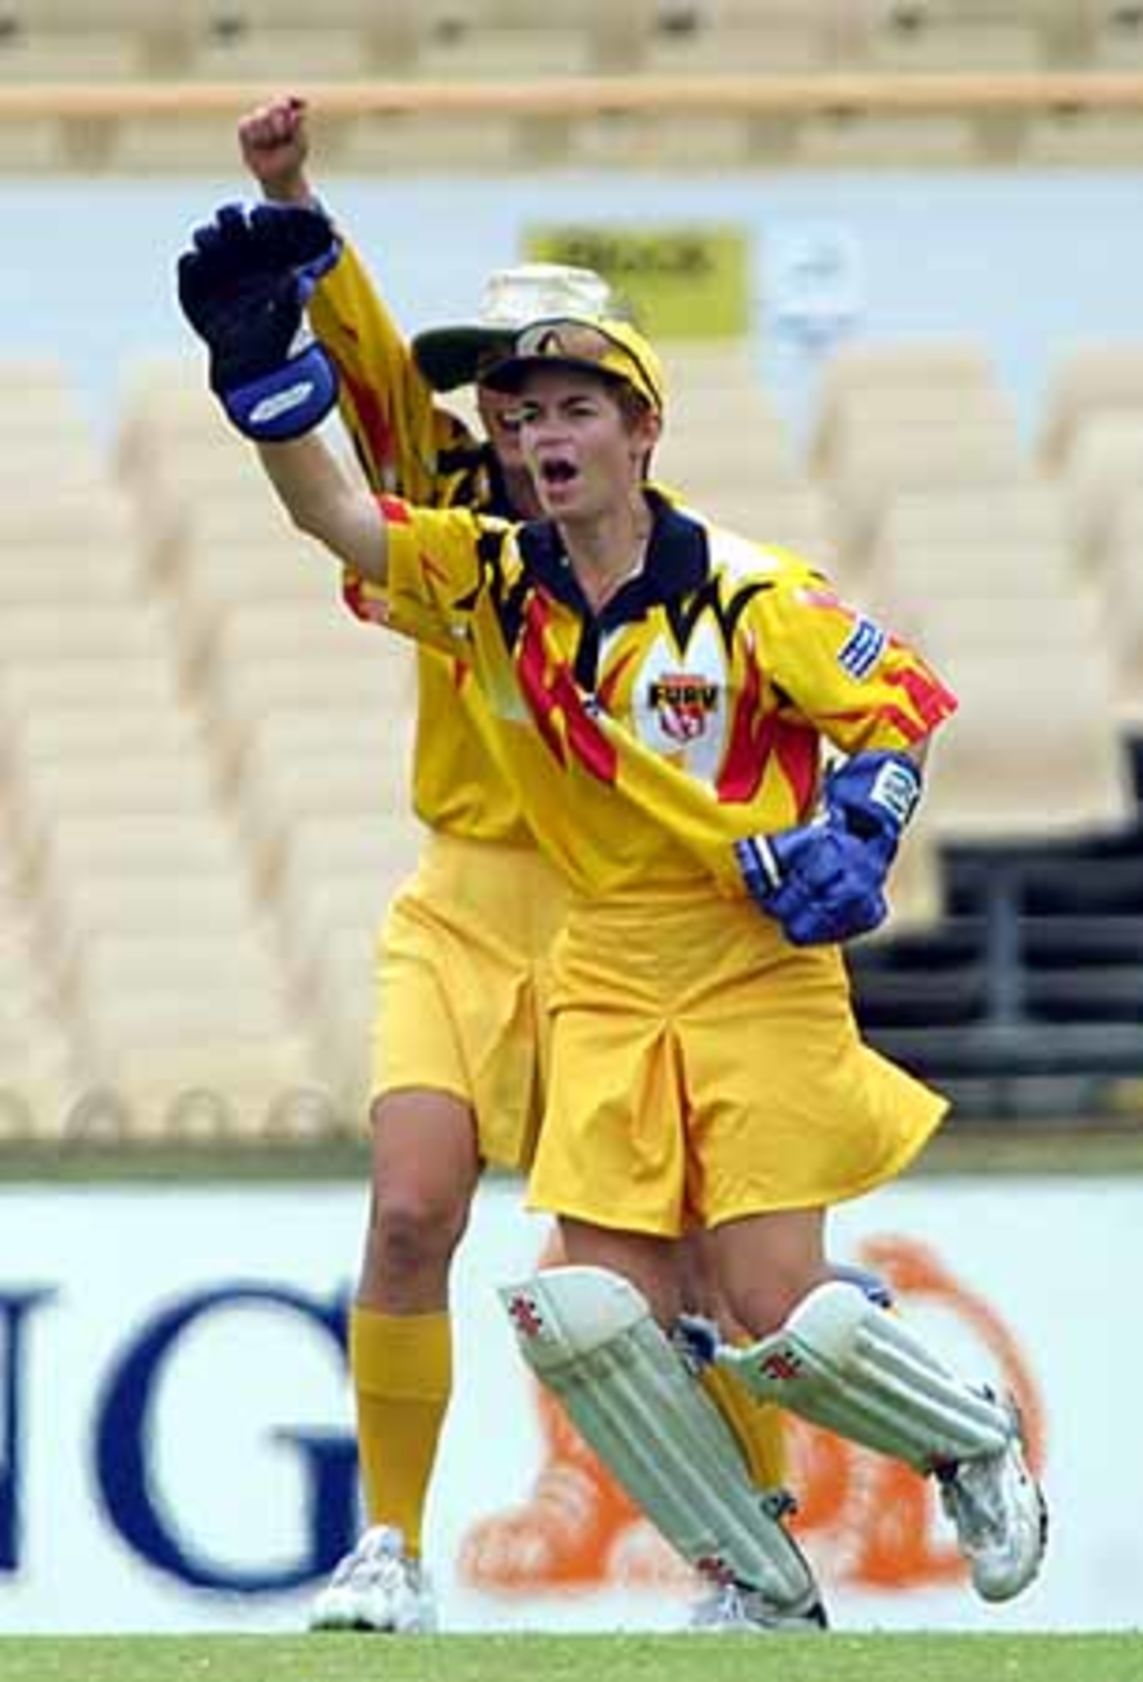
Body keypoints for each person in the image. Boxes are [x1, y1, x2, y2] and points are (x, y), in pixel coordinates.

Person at [176, 206, 1048, 1619]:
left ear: (643, 431)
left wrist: (861, 827)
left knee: (774, 1306)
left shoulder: (745, 590)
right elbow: (338, 511)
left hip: (750, 963)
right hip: (603, 972)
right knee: (588, 1316)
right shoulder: (496, 580)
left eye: (576, 408)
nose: (542, 435)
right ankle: (755, 1577)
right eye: (522, 415)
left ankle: (973, 1434)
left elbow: (900, 701)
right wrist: (269, 395)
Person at [234, 99, 798, 1635]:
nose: (511, 410)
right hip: (465, 898)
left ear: (614, 401)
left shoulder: (656, 557)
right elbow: (355, 393)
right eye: (497, 387)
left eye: (543, 384)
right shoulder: (454, 514)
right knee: (412, 1207)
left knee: (664, 1262)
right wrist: (298, 208)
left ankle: (751, 1556)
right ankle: (391, 1549)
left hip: (619, 915)